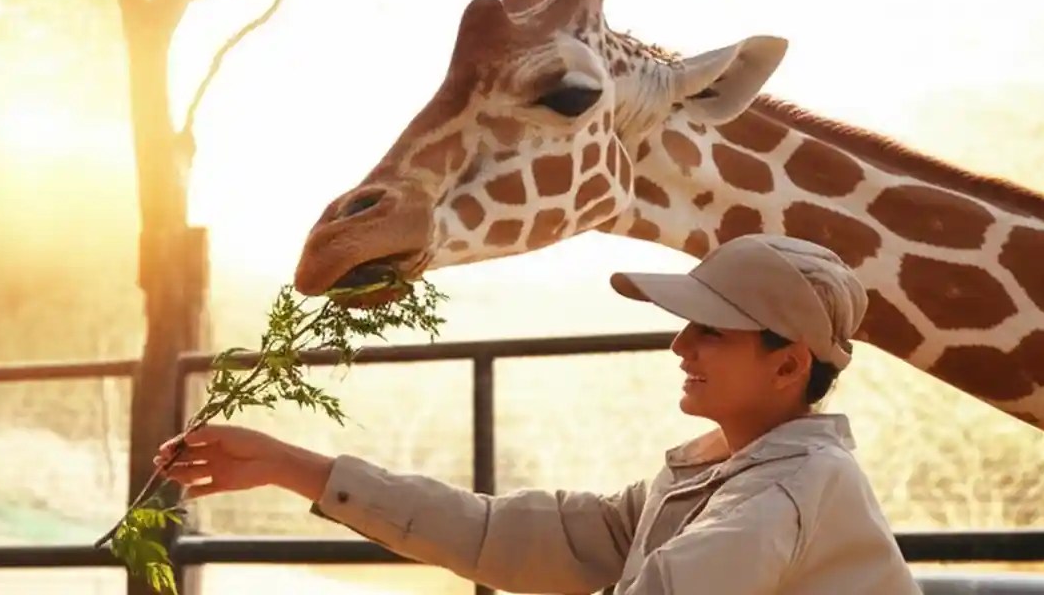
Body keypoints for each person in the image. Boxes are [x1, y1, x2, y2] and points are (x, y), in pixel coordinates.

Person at [155, 234, 922, 594]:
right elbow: (517, 535)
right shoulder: (719, 471)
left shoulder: (782, 494)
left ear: (788, 365)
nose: (680, 344)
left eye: (711, 332)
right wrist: (299, 468)